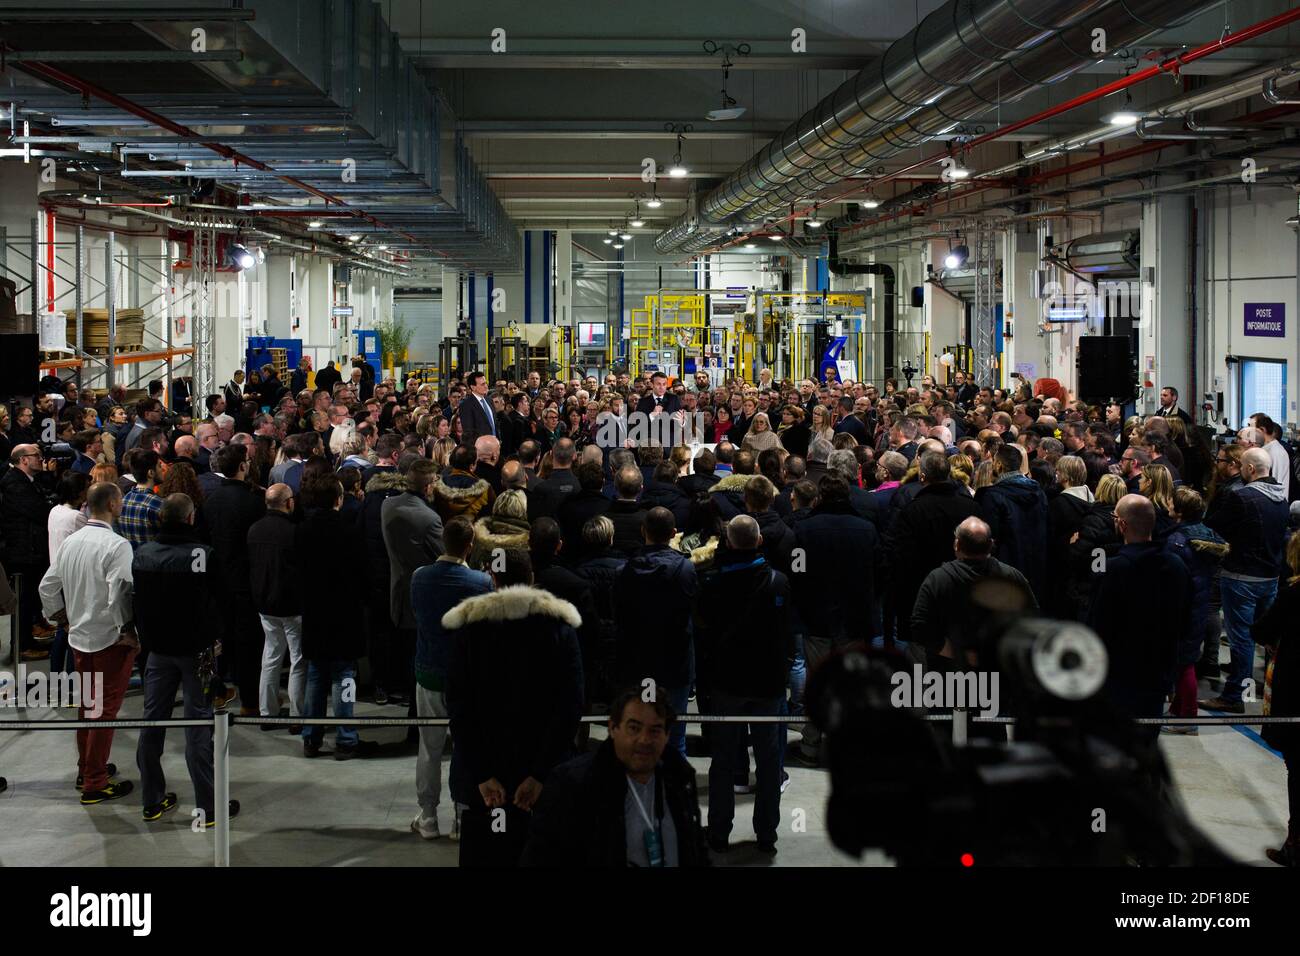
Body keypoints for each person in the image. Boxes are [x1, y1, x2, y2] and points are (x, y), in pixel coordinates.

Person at [443, 549, 584, 867]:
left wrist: (481, 774)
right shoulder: (559, 629)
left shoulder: (470, 630)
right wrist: (539, 774)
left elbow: (459, 708)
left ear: (493, 579)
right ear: (532, 578)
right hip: (542, 775)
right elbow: (570, 707)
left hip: (488, 776)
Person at [131, 493, 238, 825]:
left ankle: (151, 799)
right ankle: (208, 807)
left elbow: (137, 602)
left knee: (152, 722)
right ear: (191, 518)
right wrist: (218, 638)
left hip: (157, 652)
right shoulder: (202, 555)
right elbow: (224, 601)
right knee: (199, 724)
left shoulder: (143, 554)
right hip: (199, 653)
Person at [697, 515, 794, 855]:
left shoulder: (711, 583)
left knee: (723, 760)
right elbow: (788, 631)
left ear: (728, 542)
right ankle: (767, 833)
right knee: (769, 762)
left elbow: (705, 632)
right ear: (758, 542)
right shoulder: (778, 583)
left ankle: (719, 832)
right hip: (767, 684)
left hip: (727, 681)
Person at [521, 691, 709, 867]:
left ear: (668, 735)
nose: (644, 739)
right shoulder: (572, 784)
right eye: (634, 728)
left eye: (655, 730)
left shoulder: (679, 777)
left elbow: (695, 851)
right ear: (613, 728)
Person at [38, 482, 136, 803]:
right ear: (111, 504)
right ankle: (95, 782)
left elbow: (47, 587)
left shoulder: (71, 543)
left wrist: (61, 619)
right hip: (109, 640)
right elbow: (120, 591)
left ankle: (88, 768)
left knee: (89, 708)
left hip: (78, 638)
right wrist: (128, 630)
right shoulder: (117, 545)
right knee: (104, 712)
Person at [410, 515, 492, 842]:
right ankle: (461, 817)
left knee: (428, 750)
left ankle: (428, 816)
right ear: (470, 546)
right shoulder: (481, 583)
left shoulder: (419, 578)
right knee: (465, 748)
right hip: (466, 678)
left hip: (429, 671)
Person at [791, 473, 878, 763]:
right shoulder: (866, 530)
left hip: (816, 616)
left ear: (819, 497)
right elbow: (878, 570)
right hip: (855, 617)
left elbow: (797, 571)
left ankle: (811, 745)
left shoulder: (803, 530)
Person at [1087, 495, 1192, 734]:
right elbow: (1186, 620)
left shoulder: (1113, 570)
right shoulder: (1177, 566)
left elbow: (1099, 626)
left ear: (1122, 524)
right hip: (1159, 672)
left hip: (1119, 676)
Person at [1201, 447, 1289, 713]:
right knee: (1268, 638)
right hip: (1270, 576)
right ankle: (1265, 688)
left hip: (1241, 576)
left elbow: (1214, 524)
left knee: (1243, 639)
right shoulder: (1281, 499)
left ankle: (1234, 695)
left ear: (1250, 469)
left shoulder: (1243, 497)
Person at [297, 476, 376, 759]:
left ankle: (311, 737)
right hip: (345, 613)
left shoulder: (302, 530)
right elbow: (363, 572)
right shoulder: (348, 530)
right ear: (337, 499)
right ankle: (346, 738)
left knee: (316, 675)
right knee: (344, 676)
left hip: (315, 612)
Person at [614, 507, 698, 757]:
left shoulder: (624, 572)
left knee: (635, 736)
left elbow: (618, 615)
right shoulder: (685, 570)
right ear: (673, 534)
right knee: (674, 737)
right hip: (674, 661)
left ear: (643, 531)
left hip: (636, 660)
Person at [911, 516, 1035, 669]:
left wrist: (962, 654)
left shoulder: (938, 579)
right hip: (999, 672)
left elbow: (921, 629)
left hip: (949, 673)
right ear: (991, 544)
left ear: (957, 544)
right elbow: (1031, 621)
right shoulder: (1011, 577)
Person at [202, 444, 267, 713]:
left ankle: (219, 692)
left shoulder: (210, 500)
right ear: (243, 466)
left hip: (219, 581)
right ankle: (250, 702)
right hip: (246, 582)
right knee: (248, 645)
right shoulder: (254, 501)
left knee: (223, 642)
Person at [382, 459, 445, 706]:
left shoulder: (387, 506)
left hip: (397, 589)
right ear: (428, 487)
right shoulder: (429, 519)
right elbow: (444, 555)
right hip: (423, 597)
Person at [1253, 532, 1300, 866]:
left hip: (1296, 695)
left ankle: (1295, 845)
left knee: (1297, 771)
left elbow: (1263, 631)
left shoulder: (1293, 595)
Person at [248, 484, 307, 727]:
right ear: (288, 503)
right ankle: (297, 715)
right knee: (298, 660)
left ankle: (267, 712)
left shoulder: (254, 530)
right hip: (291, 604)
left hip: (264, 603)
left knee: (271, 656)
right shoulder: (294, 532)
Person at [974, 444, 1049, 603]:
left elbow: (989, 537)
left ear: (999, 465)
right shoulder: (1039, 492)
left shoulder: (991, 496)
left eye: (994, 461)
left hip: (1004, 569)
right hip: (1036, 566)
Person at [1, 444, 54, 662]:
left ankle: (27, 639)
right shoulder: (14, 483)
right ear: (23, 460)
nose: (40, 459)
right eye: (37, 456)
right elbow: (39, 511)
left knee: (30, 598)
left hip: (30, 548)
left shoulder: (26, 481)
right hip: (22, 551)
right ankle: (21, 645)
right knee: (24, 599)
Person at [458, 371, 499, 446]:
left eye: (486, 383)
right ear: (473, 387)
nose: (486, 386)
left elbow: (494, 424)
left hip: (494, 445)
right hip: (480, 449)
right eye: (482, 384)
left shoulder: (489, 400)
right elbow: (469, 432)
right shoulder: (466, 405)